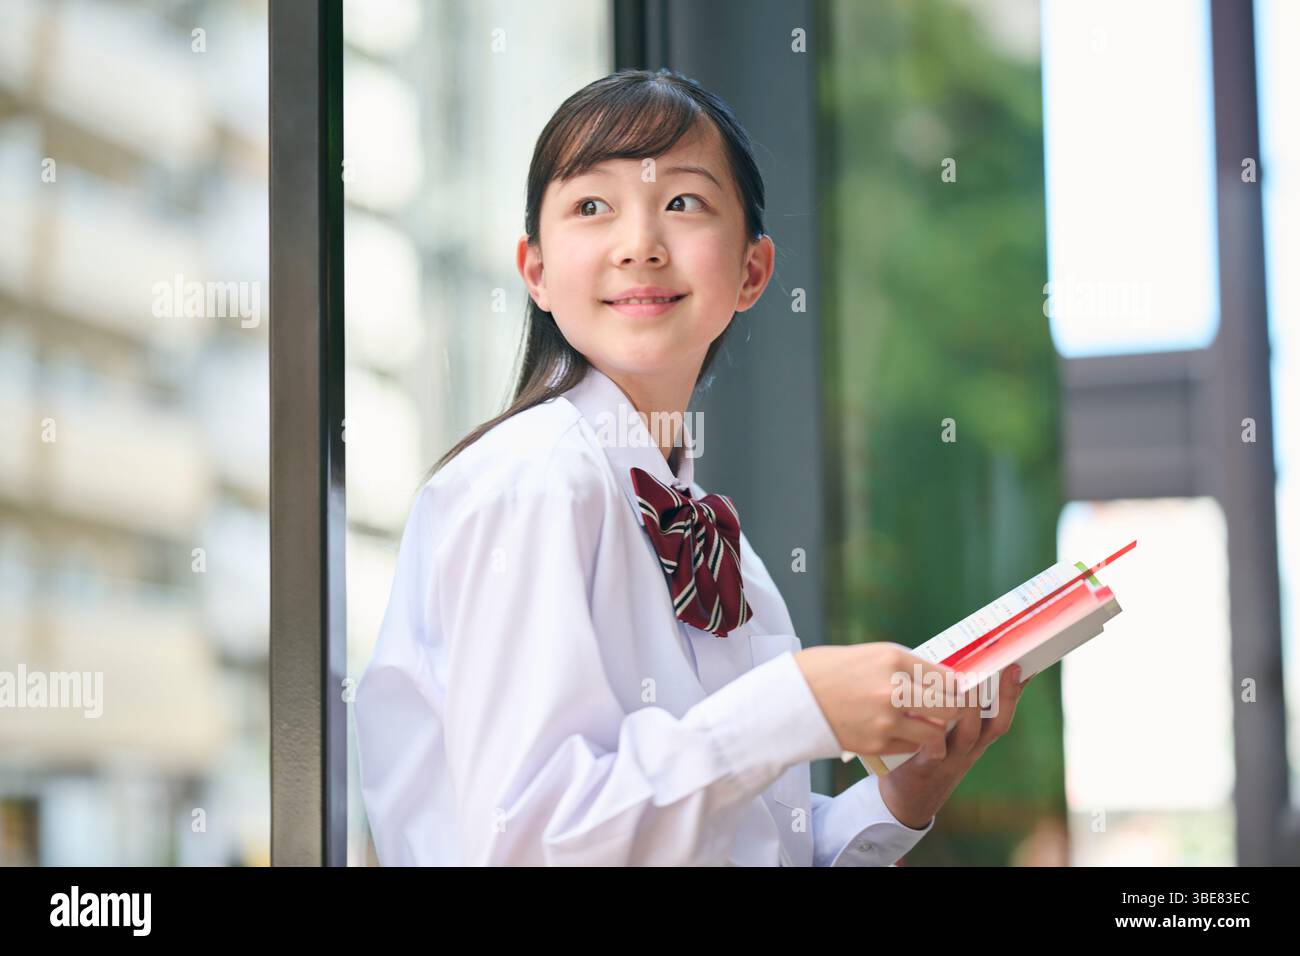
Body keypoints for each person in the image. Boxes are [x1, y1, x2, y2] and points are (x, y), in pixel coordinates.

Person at [354, 67, 1030, 866]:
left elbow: (743, 846)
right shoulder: (535, 478)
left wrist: (897, 799)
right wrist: (796, 705)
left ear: (752, 271)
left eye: (682, 202)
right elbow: (530, 843)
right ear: (533, 271)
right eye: (591, 207)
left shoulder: (713, 537)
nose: (639, 243)